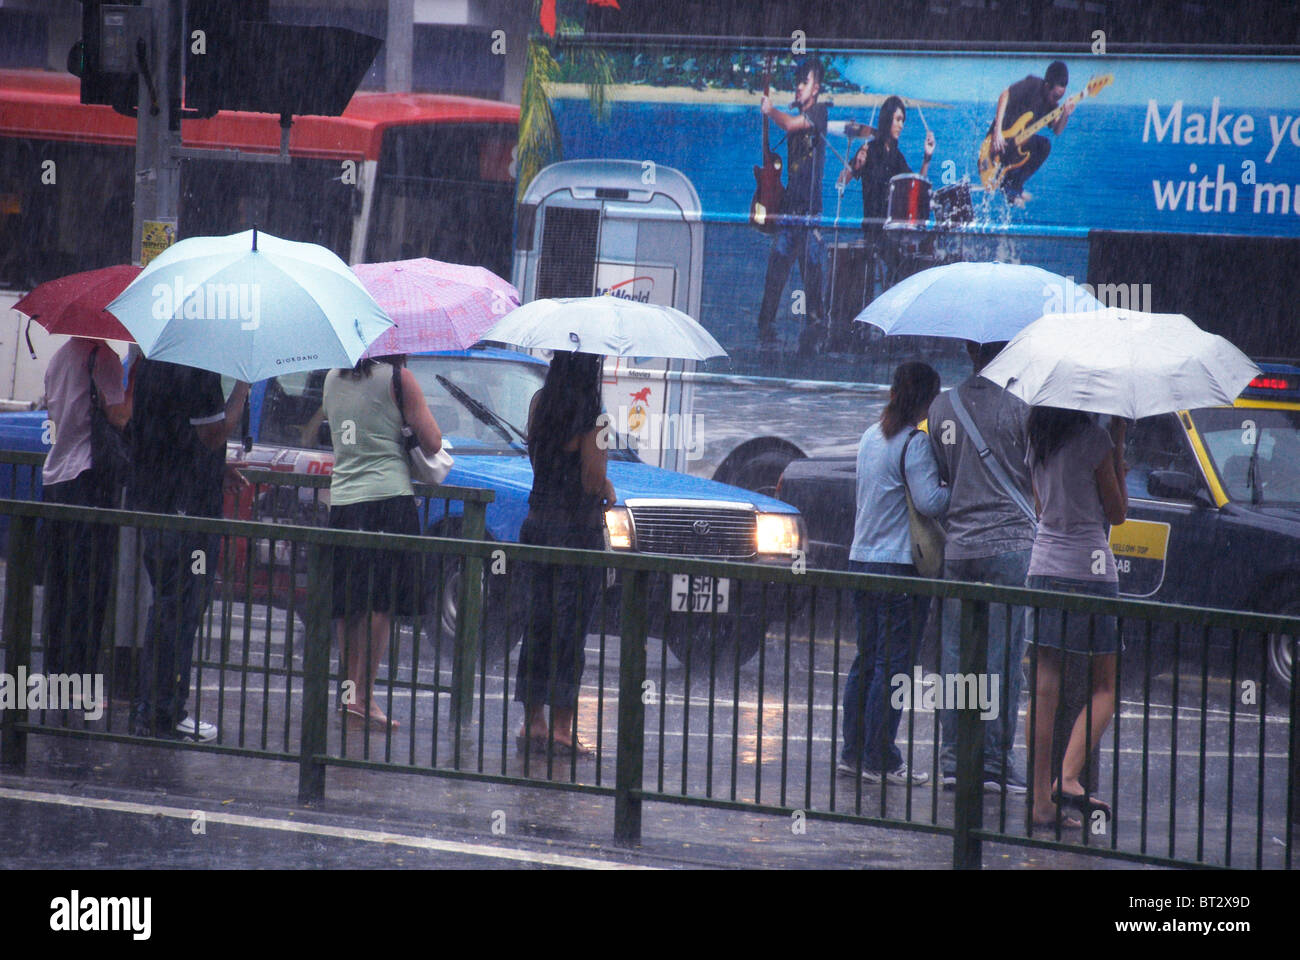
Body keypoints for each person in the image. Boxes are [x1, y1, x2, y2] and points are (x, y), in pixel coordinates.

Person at [928, 341, 1034, 794]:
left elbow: (942, 473)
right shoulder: (1021, 405)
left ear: (968, 350)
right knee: (1003, 658)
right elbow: (1033, 472)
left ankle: (953, 760)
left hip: (959, 548)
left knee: (954, 656)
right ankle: (993, 761)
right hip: (1010, 545)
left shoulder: (941, 406)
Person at [840, 361, 948, 784]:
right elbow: (930, 502)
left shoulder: (870, 436)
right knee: (894, 665)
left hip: (861, 560)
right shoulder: (914, 443)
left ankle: (853, 752)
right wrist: (959, 489)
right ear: (926, 399)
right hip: (899, 566)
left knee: (866, 660)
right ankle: (880, 759)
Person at [129, 358, 249, 741]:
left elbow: (170, 434)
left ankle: (151, 706)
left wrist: (215, 467)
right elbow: (213, 433)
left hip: (156, 501)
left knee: (166, 605)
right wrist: (243, 388)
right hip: (187, 512)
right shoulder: (199, 367)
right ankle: (166, 711)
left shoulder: (150, 362)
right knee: (183, 607)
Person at [323, 354, 442, 732]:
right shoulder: (398, 379)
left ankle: (349, 694)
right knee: (381, 603)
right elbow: (434, 442)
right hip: (389, 500)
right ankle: (365, 696)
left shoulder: (331, 378)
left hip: (343, 502)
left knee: (349, 605)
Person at [1023, 406, 1128, 830]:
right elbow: (1117, 513)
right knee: (1104, 685)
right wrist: (1118, 446)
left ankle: (1039, 801)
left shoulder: (1038, 440)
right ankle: (1068, 776)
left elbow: (1040, 504)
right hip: (1091, 570)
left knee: (1044, 686)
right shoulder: (1095, 440)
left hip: (1044, 565)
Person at [516, 351, 615, 756]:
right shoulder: (596, 415)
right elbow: (592, 479)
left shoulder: (540, 402)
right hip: (576, 533)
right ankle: (561, 728)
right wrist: (607, 487)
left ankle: (532, 722)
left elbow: (537, 456)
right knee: (569, 630)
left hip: (538, 525)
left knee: (537, 624)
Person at [40, 337, 132, 681]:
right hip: (88, 476)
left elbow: (54, 411)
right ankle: (79, 675)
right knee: (90, 581)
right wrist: (134, 384)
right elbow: (119, 416)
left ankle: (54, 667)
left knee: (60, 578)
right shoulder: (103, 357)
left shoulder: (58, 358)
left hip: (55, 477)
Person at [756, 56, 829, 358]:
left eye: (805, 82)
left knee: (812, 285)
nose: (799, 87)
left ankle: (814, 347)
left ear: (817, 87)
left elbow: (788, 123)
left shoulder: (819, 113)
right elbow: (772, 152)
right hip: (790, 213)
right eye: (797, 82)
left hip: (809, 215)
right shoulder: (798, 113)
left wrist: (769, 109)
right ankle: (764, 337)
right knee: (774, 280)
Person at [839, 95, 936, 232]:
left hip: (893, 232)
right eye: (898, 120)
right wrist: (856, 166)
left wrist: (927, 157)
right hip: (872, 230)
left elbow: (916, 188)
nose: (901, 126)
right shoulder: (869, 150)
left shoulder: (897, 157)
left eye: (903, 121)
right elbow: (841, 180)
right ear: (887, 119)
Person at [988, 60, 1073, 205]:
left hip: (1018, 144)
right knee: (1026, 140)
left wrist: (1066, 114)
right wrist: (997, 132)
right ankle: (1009, 186)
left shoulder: (1051, 105)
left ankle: (1013, 185)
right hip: (1000, 140)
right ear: (1047, 86)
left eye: (1060, 97)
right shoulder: (1032, 84)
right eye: (1055, 96)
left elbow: (1057, 131)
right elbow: (1004, 95)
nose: (1056, 101)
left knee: (1044, 145)